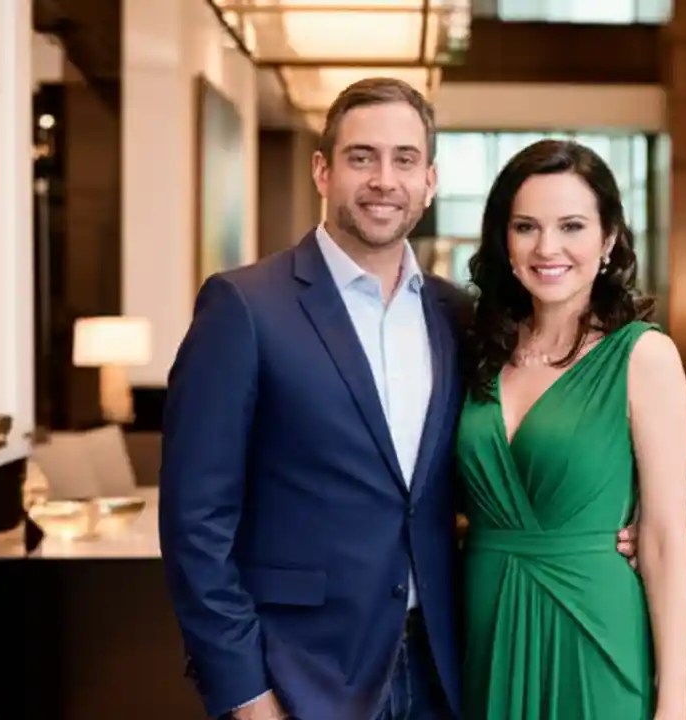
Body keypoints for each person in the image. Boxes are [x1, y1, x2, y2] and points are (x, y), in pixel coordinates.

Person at [158, 79, 637, 720]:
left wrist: (602, 526)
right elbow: (194, 522)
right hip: (302, 669)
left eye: (405, 159)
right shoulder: (244, 307)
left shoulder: (458, 316)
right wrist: (244, 691)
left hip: (445, 661)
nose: (385, 179)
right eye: (363, 157)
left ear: (430, 181)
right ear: (322, 170)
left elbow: (490, 458)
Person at [457, 140, 686, 720]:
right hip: (484, 618)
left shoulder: (644, 357)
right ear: (504, 240)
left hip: (594, 623)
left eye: (571, 225)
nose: (548, 247)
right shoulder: (478, 349)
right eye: (526, 227)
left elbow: (664, 537)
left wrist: (674, 698)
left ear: (608, 239)